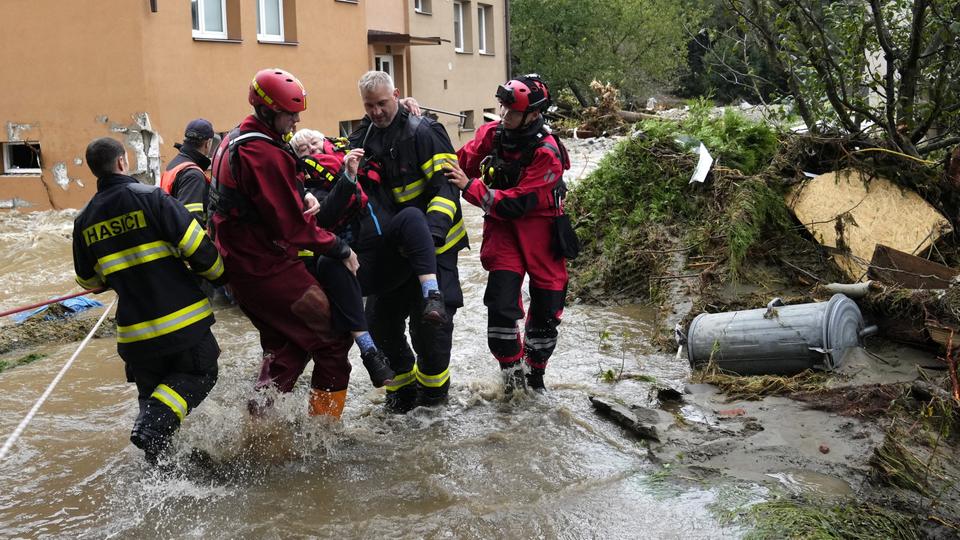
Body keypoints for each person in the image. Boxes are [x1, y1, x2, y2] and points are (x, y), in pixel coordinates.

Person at [208, 68, 380, 419]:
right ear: (270, 111)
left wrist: (301, 195)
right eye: (290, 113)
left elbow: (262, 197)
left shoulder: (238, 137)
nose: (296, 120)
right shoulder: (263, 152)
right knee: (332, 338)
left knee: (286, 342)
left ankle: (259, 420)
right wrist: (339, 248)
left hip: (242, 264)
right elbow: (291, 228)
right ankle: (323, 431)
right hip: (264, 266)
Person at [72, 137, 226, 464]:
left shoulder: (83, 221)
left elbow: (89, 281)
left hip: (135, 337)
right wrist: (220, 275)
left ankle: (159, 473)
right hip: (182, 323)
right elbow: (197, 246)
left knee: (153, 394)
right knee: (202, 373)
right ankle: (153, 426)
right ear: (122, 163)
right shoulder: (152, 198)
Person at [348, 71, 468, 412]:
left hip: (435, 247)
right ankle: (401, 394)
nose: (376, 112)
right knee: (380, 324)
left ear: (397, 95)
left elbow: (446, 190)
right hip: (391, 251)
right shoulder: (364, 136)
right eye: (369, 106)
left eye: (383, 104)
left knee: (431, 330)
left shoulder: (425, 131)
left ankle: (433, 403)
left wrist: (430, 236)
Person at [444, 74, 572, 393]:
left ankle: (536, 375)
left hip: (541, 230)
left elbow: (518, 203)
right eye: (502, 109)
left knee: (546, 311)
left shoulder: (548, 152)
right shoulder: (494, 134)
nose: (504, 116)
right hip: (503, 232)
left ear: (533, 114)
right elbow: (460, 162)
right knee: (500, 308)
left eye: (511, 112)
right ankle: (512, 377)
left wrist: (471, 188)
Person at [160, 118, 215, 226]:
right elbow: (190, 222)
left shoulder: (175, 164)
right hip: (191, 241)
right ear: (208, 144)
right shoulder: (193, 175)